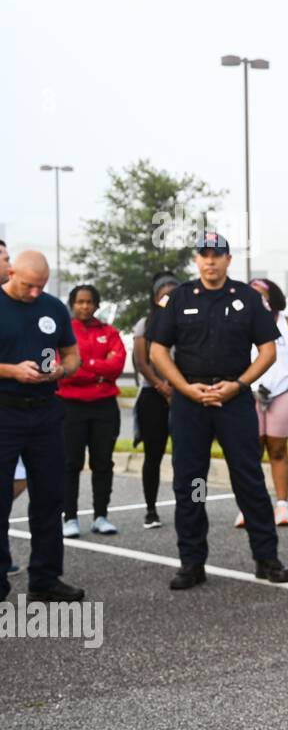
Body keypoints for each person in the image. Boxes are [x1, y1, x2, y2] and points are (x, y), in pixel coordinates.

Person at [147, 231, 288, 590]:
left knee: (248, 479)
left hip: (234, 398)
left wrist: (239, 385)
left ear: (229, 260)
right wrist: (184, 388)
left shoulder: (246, 298)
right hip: (189, 400)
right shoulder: (178, 299)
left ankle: (266, 558)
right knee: (191, 483)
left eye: (217, 255)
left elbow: (268, 351)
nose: (210, 261)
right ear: (196, 259)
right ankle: (192, 563)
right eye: (204, 255)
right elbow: (157, 351)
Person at [0, 250, 85, 603]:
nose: (35, 293)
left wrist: (61, 371)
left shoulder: (52, 307)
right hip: (5, 412)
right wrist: (12, 370)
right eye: (28, 285)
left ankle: (46, 578)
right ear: (11, 272)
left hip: (46, 411)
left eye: (41, 286)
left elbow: (72, 354)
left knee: (50, 497)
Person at [232, 278, 288, 529]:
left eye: (262, 294)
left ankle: (282, 506)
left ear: (272, 297)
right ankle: (248, 508)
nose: (257, 298)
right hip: (249, 393)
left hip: (283, 391)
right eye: (252, 294)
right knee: (251, 451)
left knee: (278, 448)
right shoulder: (240, 322)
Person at [58, 284, 126, 537]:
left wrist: (84, 363)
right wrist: (99, 370)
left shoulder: (109, 332)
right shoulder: (63, 332)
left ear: (97, 305)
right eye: (79, 302)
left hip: (104, 407)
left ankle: (101, 516)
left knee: (102, 463)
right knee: (70, 463)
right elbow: (63, 372)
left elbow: (117, 366)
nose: (84, 306)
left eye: (89, 302)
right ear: (72, 304)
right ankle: (70, 518)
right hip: (70, 406)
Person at [132, 273, 180, 528]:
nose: (168, 300)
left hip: (184, 393)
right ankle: (151, 510)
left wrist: (178, 387)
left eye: (173, 295)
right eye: (164, 296)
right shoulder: (145, 324)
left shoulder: (188, 321)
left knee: (188, 456)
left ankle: (193, 504)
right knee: (154, 455)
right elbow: (142, 362)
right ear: (155, 299)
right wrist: (163, 387)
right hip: (153, 394)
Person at [1, 242, 31, 577]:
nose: (10, 264)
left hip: (17, 413)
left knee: (19, 477)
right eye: (6, 258)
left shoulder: (24, 305)